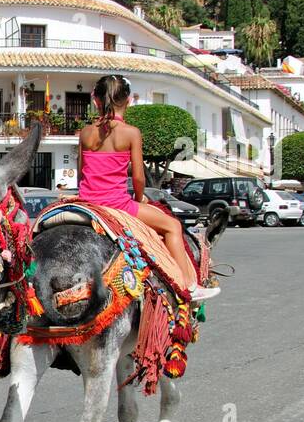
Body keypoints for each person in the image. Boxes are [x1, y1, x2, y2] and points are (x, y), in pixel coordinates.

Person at [77, 74, 218, 301]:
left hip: (87, 202)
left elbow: (82, 171)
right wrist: (140, 197)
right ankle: (189, 286)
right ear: (129, 101)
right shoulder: (131, 133)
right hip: (116, 204)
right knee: (172, 225)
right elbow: (139, 177)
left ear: (96, 101)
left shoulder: (85, 133)